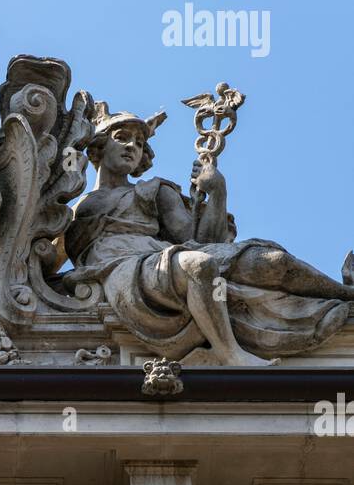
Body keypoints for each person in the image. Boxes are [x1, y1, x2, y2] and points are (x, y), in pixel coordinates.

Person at [60, 104, 353, 367]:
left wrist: (216, 191)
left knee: (271, 260)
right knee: (199, 266)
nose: (132, 147)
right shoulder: (76, 209)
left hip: (158, 258)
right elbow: (47, 254)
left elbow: (201, 240)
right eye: (122, 137)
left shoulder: (154, 191)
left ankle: (345, 294)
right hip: (120, 268)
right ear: (98, 147)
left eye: (139, 143)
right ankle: (229, 353)